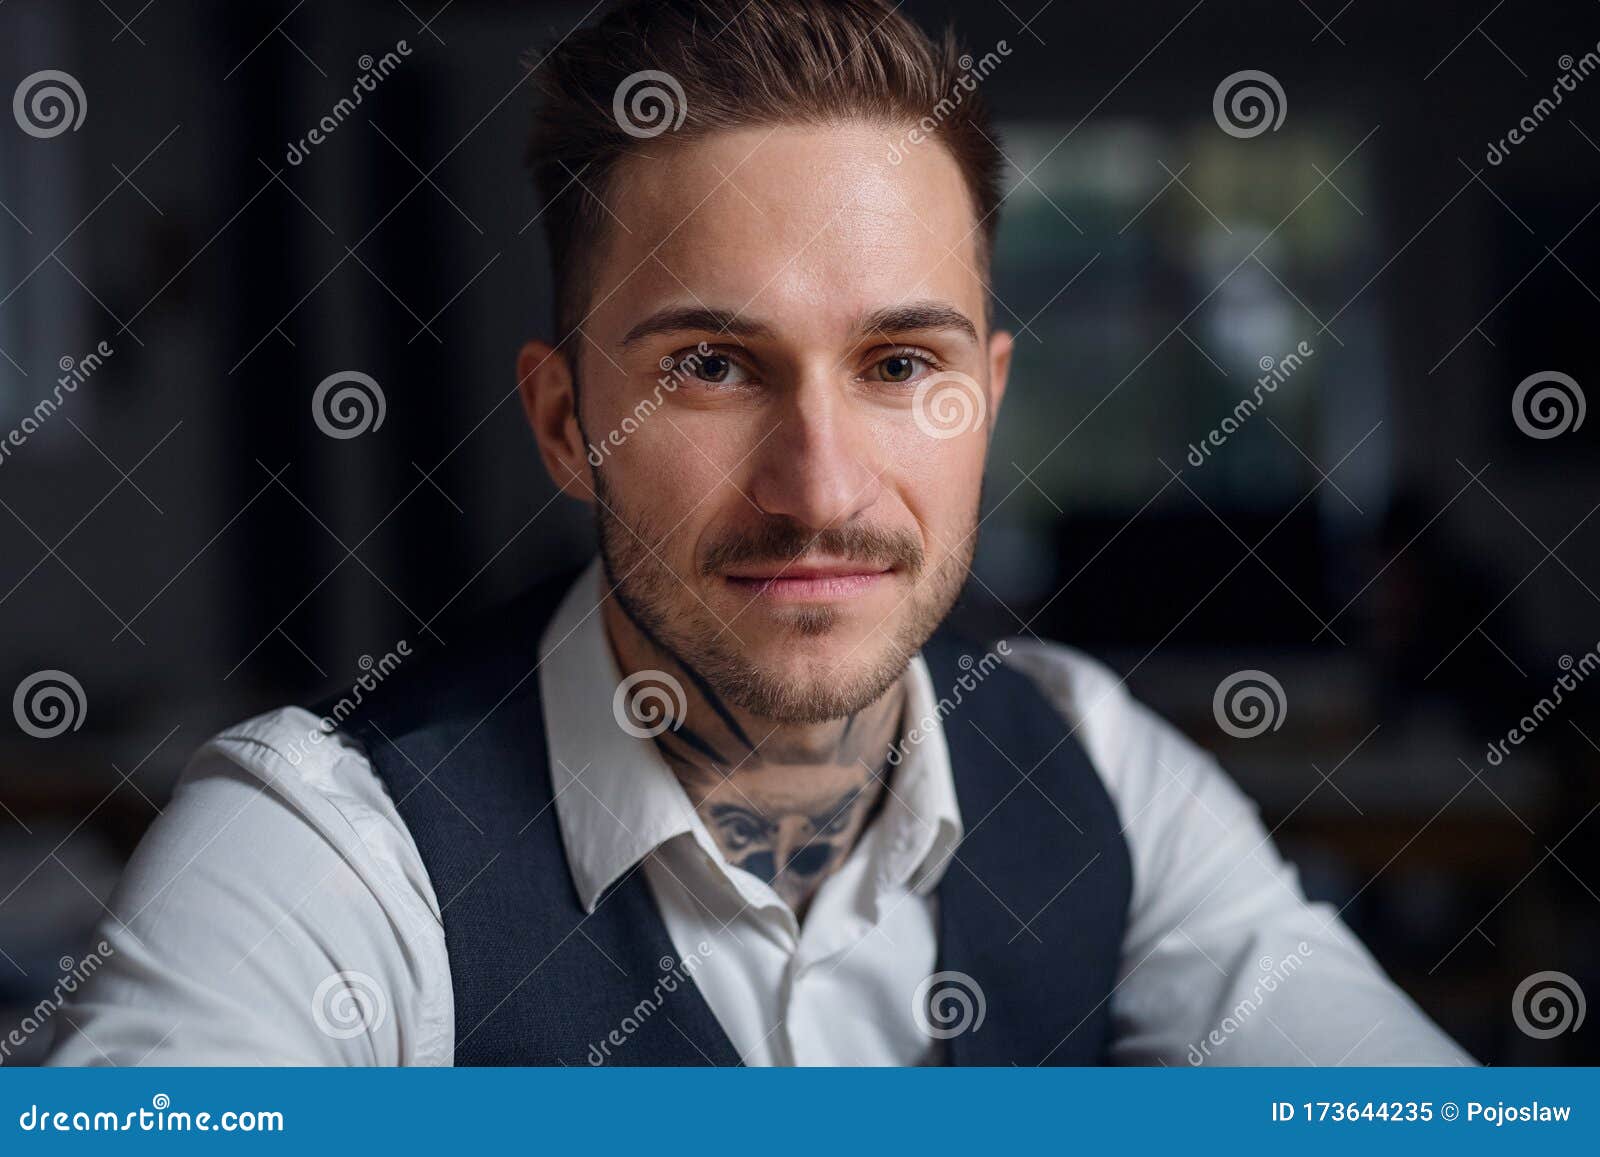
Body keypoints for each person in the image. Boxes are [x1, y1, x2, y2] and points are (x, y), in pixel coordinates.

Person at [49, 0, 1471, 1067]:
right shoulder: (324, 851)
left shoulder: (1105, 769)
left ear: (987, 401)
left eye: (902, 365)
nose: (822, 487)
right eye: (712, 367)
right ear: (562, 420)